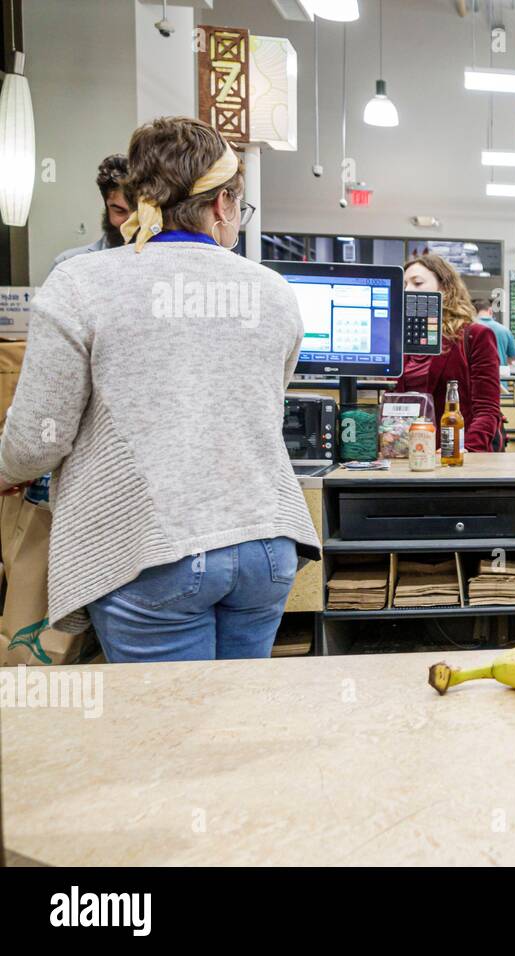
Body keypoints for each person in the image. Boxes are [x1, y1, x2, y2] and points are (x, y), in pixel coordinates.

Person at [0, 116, 321, 662]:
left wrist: (9, 471)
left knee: (169, 738)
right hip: (266, 543)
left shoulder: (82, 283)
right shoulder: (274, 293)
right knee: (234, 727)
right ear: (221, 206)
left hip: (152, 546)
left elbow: (39, 438)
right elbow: (260, 405)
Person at [396, 255, 505, 451]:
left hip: (454, 456)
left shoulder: (475, 336)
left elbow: (487, 409)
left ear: (445, 288)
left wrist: (465, 449)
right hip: (410, 454)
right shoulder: (401, 340)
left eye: (417, 283)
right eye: (404, 284)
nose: (407, 290)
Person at [52, 154, 131, 266]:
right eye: (120, 211)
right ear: (107, 208)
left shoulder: (163, 262)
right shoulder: (68, 263)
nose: (130, 222)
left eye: (139, 213)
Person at [473, 296, 515, 367]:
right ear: (490, 310)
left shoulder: (468, 329)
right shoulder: (504, 330)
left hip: (476, 375)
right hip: (499, 375)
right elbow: (512, 356)